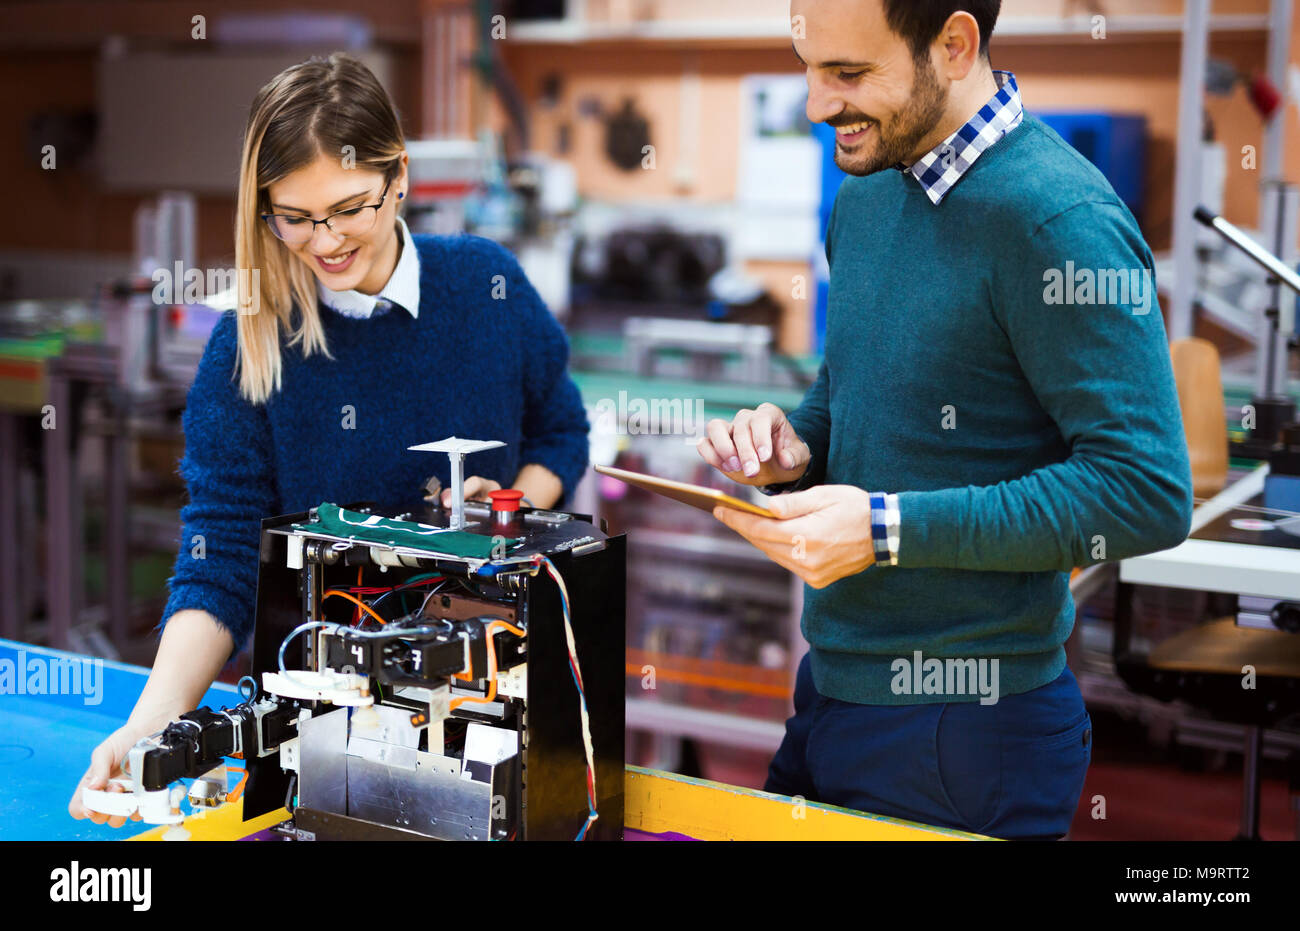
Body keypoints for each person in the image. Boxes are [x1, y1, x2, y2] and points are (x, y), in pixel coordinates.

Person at [698, 0, 1192, 839]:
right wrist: (796, 447)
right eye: (810, 68)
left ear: (954, 45)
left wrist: (889, 529)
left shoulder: (1057, 221)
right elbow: (851, 390)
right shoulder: (867, 194)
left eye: (850, 75)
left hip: (966, 728)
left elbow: (1144, 488)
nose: (818, 106)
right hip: (834, 689)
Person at [69, 53, 589, 826]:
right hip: (320, 740)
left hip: (491, 722)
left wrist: (507, 515)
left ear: (399, 176)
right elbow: (219, 557)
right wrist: (149, 727)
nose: (327, 242)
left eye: (351, 207)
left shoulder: (487, 286)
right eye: (296, 217)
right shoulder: (249, 343)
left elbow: (561, 431)